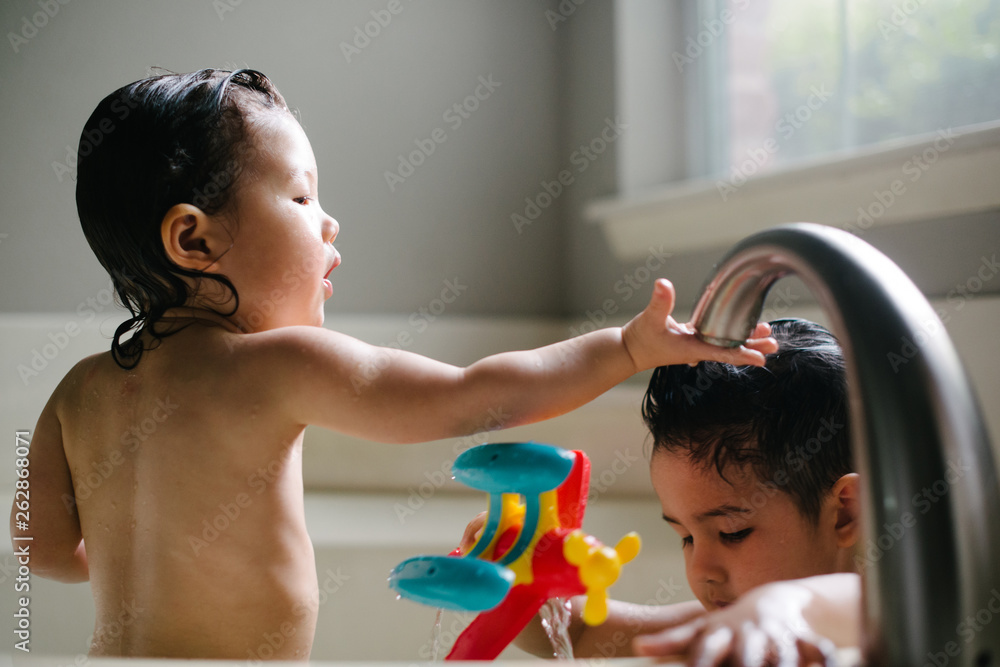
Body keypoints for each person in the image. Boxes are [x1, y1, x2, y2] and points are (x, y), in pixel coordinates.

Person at [10, 68, 776, 660]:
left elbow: (36, 543)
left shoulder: (78, 389)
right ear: (195, 240)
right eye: (302, 198)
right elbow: (473, 396)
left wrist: (142, 552)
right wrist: (627, 348)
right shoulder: (278, 363)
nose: (330, 221)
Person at [502, 319, 863, 665]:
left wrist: (782, 606)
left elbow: (860, 602)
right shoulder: (727, 630)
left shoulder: (888, 615)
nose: (700, 570)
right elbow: (580, 634)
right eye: (686, 538)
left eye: (732, 533)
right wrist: (515, 576)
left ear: (846, 512)